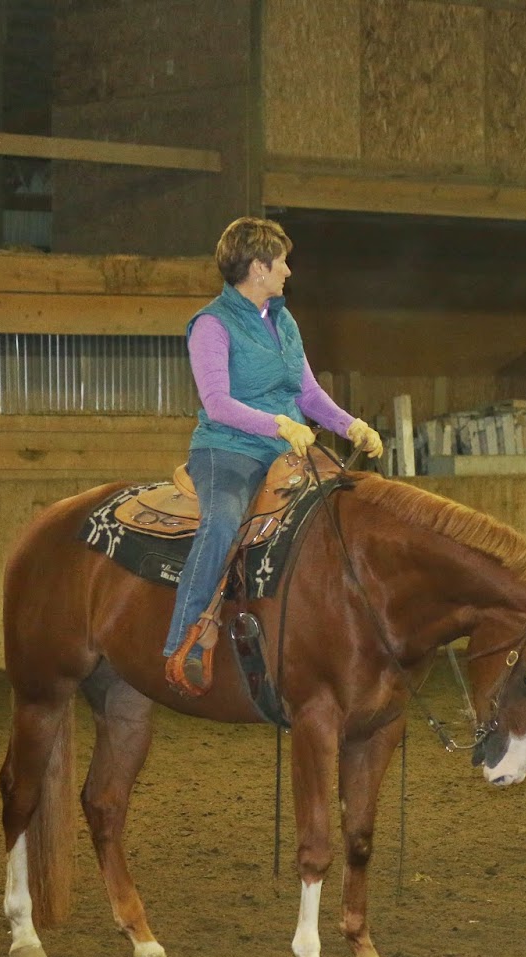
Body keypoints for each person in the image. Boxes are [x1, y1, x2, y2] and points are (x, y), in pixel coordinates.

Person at [163, 216, 383, 693]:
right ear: (258, 268)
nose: (288, 272)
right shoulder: (211, 326)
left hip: (287, 451)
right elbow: (216, 403)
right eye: (281, 262)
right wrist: (276, 424)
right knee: (222, 520)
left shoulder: (283, 320)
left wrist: (352, 425)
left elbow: (307, 393)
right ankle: (185, 637)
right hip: (229, 451)